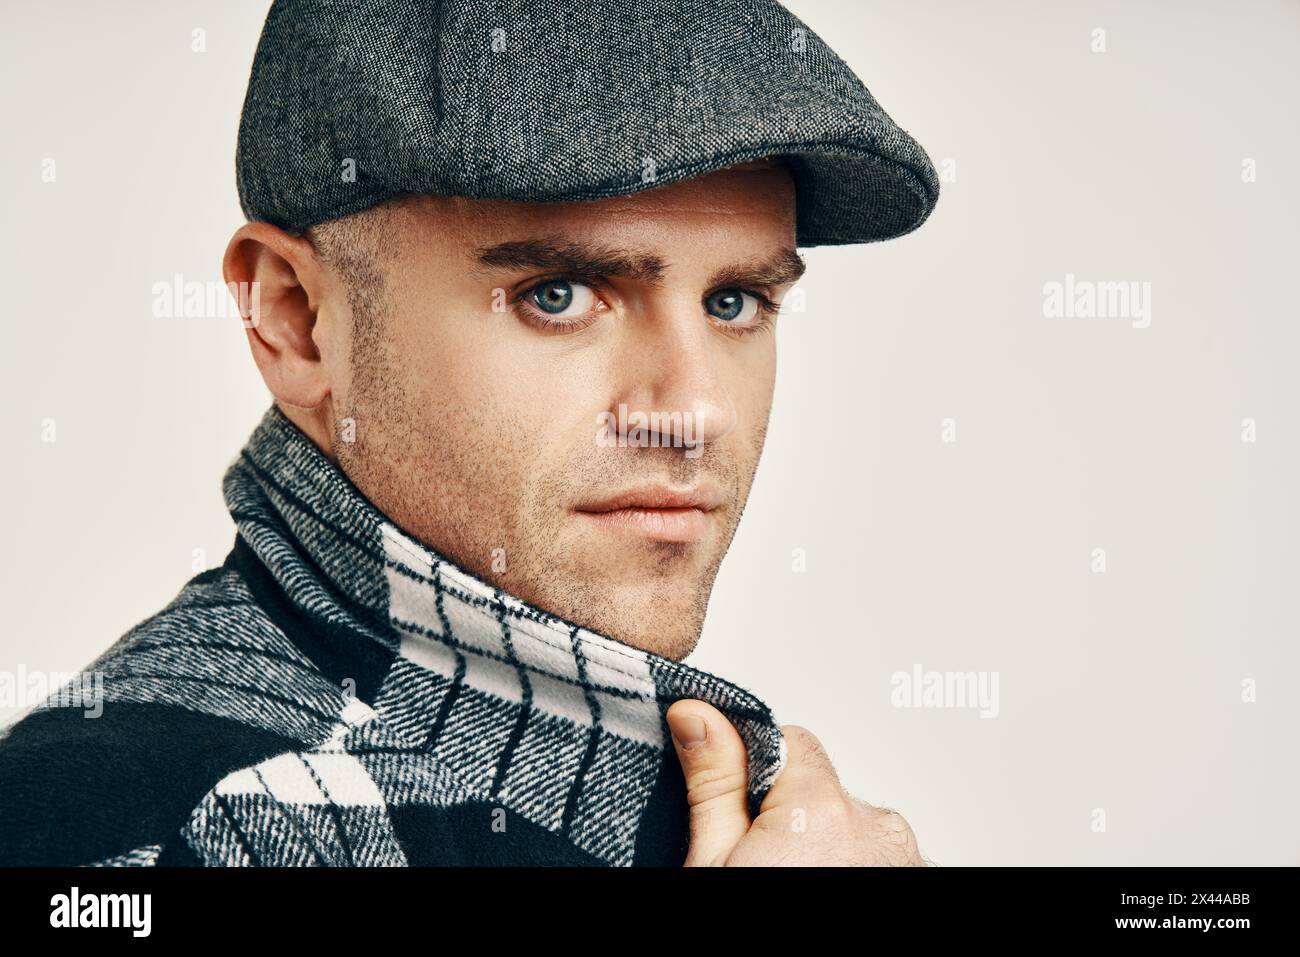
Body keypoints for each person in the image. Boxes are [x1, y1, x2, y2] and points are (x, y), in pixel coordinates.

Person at [0, 0, 939, 866]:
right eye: (559, 296)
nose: (693, 413)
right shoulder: (149, 830)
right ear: (293, 317)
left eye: (735, 301)